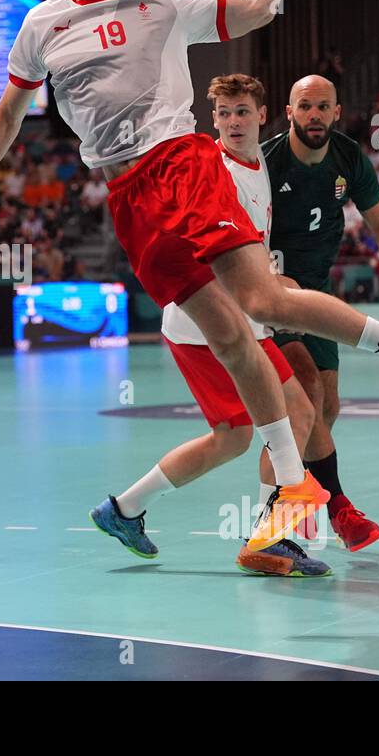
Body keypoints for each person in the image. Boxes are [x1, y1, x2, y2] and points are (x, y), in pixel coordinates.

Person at [0, 0, 379, 553]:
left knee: (261, 301)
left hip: (178, 164)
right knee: (228, 338)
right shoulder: (41, 23)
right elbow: (8, 112)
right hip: (126, 195)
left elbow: (261, 4)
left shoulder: (160, 9)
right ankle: (293, 485)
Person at [92, 74, 330, 576]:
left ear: (263, 116)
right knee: (287, 418)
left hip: (230, 321)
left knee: (235, 435)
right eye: (223, 113)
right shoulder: (215, 170)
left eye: (242, 111)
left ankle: (124, 510)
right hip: (207, 324)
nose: (232, 122)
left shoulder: (259, 160)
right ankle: (271, 538)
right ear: (212, 120)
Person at [263, 75, 379, 552]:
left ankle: (303, 499)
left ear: (336, 113)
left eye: (323, 107)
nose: (314, 115)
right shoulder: (268, 162)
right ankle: (325, 511)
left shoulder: (349, 157)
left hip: (318, 293)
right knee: (305, 394)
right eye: (305, 106)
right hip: (273, 290)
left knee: (325, 409)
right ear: (289, 112)